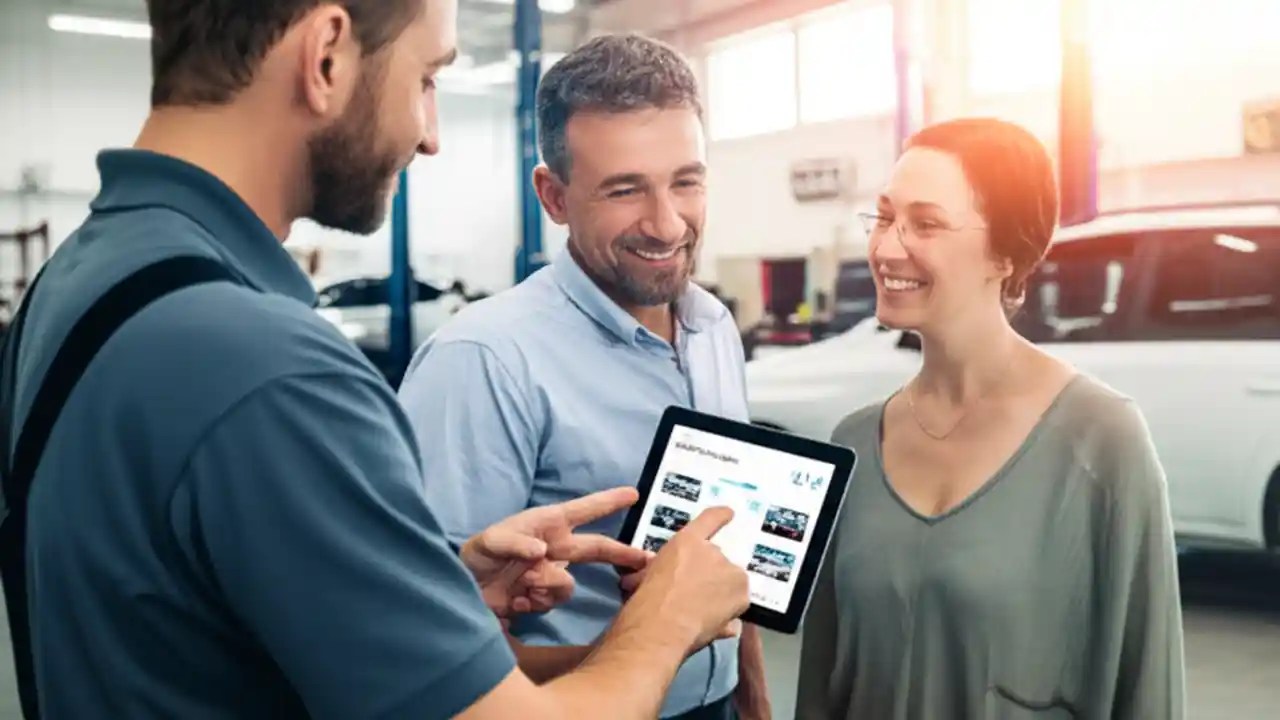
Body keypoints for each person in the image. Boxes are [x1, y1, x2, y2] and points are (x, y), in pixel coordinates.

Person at [7, 1, 752, 718]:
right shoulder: (269, 369)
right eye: (426, 77)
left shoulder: (82, 281)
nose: (428, 135)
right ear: (326, 53)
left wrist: (445, 594)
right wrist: (666, 617)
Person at [397, 33, 770, 720]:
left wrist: (751, 701)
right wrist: (652, 645)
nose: (666, 224)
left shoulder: (712, 327)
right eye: (625, 190)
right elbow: (426, 650)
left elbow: (723, 567)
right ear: (555, 195)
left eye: (686, 181)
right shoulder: (484, 362)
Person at [794, 118, 1186, 719]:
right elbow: (821, 690)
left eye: (924, 224)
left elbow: (1148, 690)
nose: (886, 247)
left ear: (1006, 252)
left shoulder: (1100, 442)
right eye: (884, 216)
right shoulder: (854, 444)